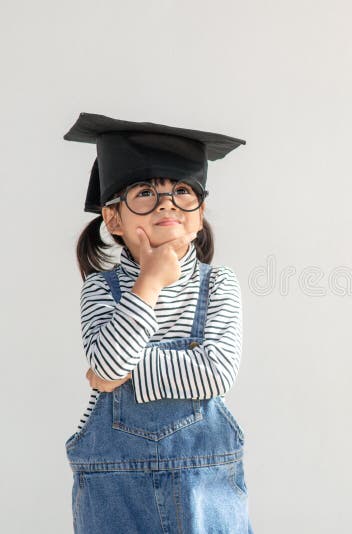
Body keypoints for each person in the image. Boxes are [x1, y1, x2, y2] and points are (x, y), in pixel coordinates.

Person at [63, 112, 254, 533]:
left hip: (205, 495)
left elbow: (215, 374)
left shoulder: (218, 284)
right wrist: (148, 283)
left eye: (182, 191)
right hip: (115, 497)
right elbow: (112, 369)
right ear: (113, 218)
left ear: (199, 213)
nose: (166, 203)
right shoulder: (99, 289)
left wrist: (115, 372)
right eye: (145, 192)